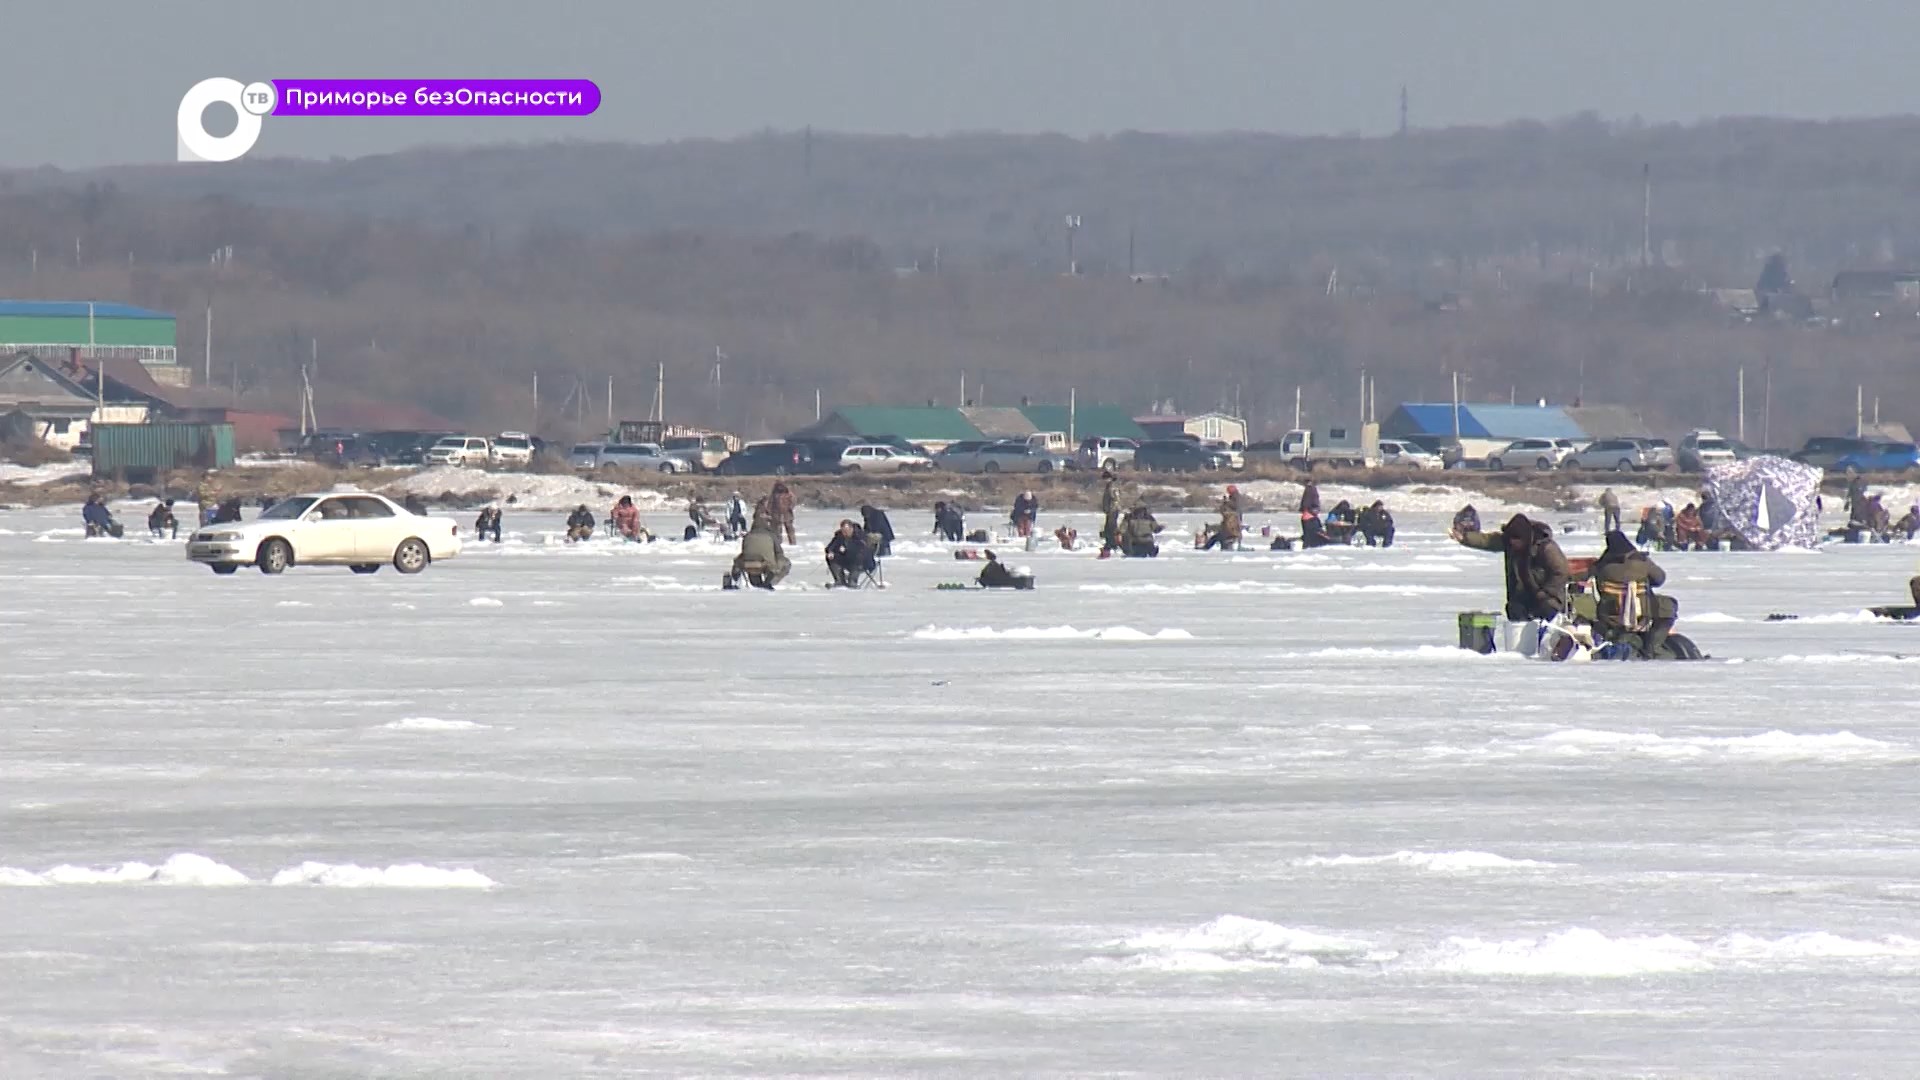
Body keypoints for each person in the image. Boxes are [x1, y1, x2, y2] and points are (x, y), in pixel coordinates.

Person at [1453, 513, 1572, 623]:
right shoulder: (1510, 543)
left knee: (1545, 610)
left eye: (1516, 540)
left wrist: (1546, 592)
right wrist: (1464, 538)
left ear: (1525, 538)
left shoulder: (1546, 548)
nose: (1512, 543)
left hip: (1548, 597)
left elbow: (1561, 572)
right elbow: (1488, 541)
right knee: (1514, 610)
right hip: (1523, 596)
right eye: (1511, 539)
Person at [1587, 529, 1678, 657]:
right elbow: (1659, 579)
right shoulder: (1641, 561)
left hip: (1610, 612)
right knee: (1669, 606)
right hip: (1643, 608)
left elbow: (1585, 576)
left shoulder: (1602, 565)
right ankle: (1653, 645)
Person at [726, 524, 790, 589]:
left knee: (751, 564)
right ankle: (770, 581)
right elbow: (779, 552)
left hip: (748, 563)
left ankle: (739, 579)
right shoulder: (771, 535)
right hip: (767, 563)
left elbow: (744, 550)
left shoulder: (748, 535)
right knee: (784, 563)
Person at [824, 519, 872, 587]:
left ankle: (853, 581)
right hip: (845, 559)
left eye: (847, 530)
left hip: (861, 561)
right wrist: (830, 552)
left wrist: (848, 549)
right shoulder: (839, 536)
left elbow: (863, 549)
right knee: (832, 558)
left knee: (859, 557)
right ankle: (839, 580)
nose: (845, 533)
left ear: (852, 528)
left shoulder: (860, 535)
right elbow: (830, 547)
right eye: (843, 531)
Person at [1099, 469, 1124, 555]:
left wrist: (1112, 509)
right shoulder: (1108, 486)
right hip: (1110, 511)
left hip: (1113, 510)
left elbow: (1116, 499)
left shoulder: (1112, 487)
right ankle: (1110, 543)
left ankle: (1112, 544)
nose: (1104, 481)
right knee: (1108, 528)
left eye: (1105, 479)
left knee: (1111, 528)